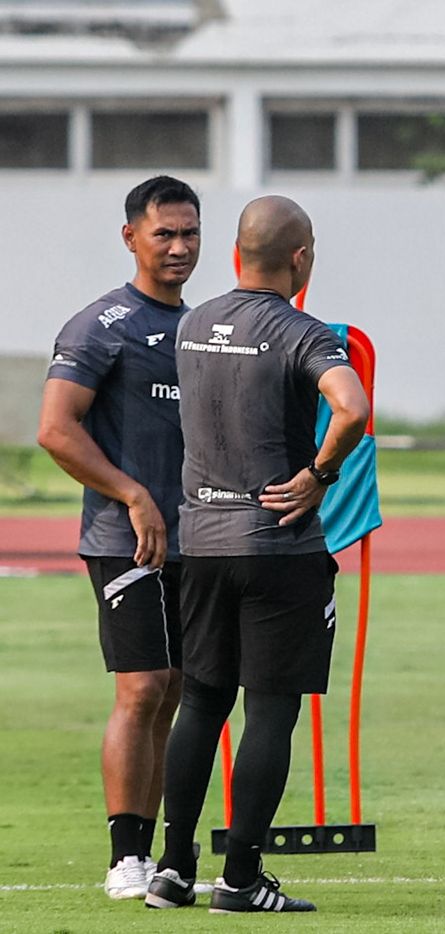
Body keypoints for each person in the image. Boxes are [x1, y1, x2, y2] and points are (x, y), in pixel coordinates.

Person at [144, 195, 369, 913]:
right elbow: (353, 407)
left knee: (202, 702)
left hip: (201, 544)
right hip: (278, 545)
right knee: (270, 713)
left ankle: (173, 870)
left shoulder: (192, 323)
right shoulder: (301, 331)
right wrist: (318, 476)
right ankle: (239, 879)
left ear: (236, 250)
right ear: (300, 257)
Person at [36, 176, 202, 900]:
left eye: (190, 233)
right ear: (131, 236)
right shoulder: (100, 326)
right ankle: (124, 857)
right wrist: (132, 494)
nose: (178, 247)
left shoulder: (201, 329)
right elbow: (55, 429)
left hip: (197, 539)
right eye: (164, 233)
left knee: (175, 693)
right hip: (123, 536)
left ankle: (162, 849)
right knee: (141, 689)